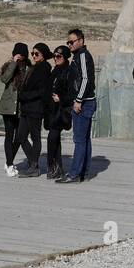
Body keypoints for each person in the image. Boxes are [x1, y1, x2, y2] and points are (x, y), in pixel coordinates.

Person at [10, 43, 52, 177]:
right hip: (27, 108)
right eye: (32, 53)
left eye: (37, 54)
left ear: (43, 55)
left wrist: (25, 96)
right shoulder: (34, 67)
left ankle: (34, 166)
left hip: (35, 108)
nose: (34, 56)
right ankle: (34, 162)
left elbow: (42, 91)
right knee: (21, 136)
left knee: (35, 137)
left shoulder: (44, 68)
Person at [59, 29, 95, 184]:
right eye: (68, 42)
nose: (70, 45)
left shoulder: (82, 56)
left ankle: (74, 174)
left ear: (81, 40)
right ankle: (83, 172)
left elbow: (86, 79)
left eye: (72, 42)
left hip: (84, 102)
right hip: (85, 101)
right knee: (84, 139)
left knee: (79, 140)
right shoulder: (78, 56)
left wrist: (78, 100)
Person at [0, 43, 30, 176]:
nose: (19, 56)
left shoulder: (29, 68)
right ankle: (10, 164)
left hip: (21, 107)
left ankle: (8, 161)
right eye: (17, 54)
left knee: (19, 136)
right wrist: (13, 64)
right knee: (9, 136)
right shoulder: (8, 66)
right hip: (8, 107)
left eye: (21, 54)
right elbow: (4, 79)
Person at [44, 45, 74, 179]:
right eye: (54, 56)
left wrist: (60, 98)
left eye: (59, 56)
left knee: (52, 138)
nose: (55, 59)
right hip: (52, 110)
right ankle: (58, 167)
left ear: (65, 57)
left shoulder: (69, 72)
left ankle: (51, 166)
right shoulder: (54, 70)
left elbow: (73, 93)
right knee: (55, 139)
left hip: (61, 111)